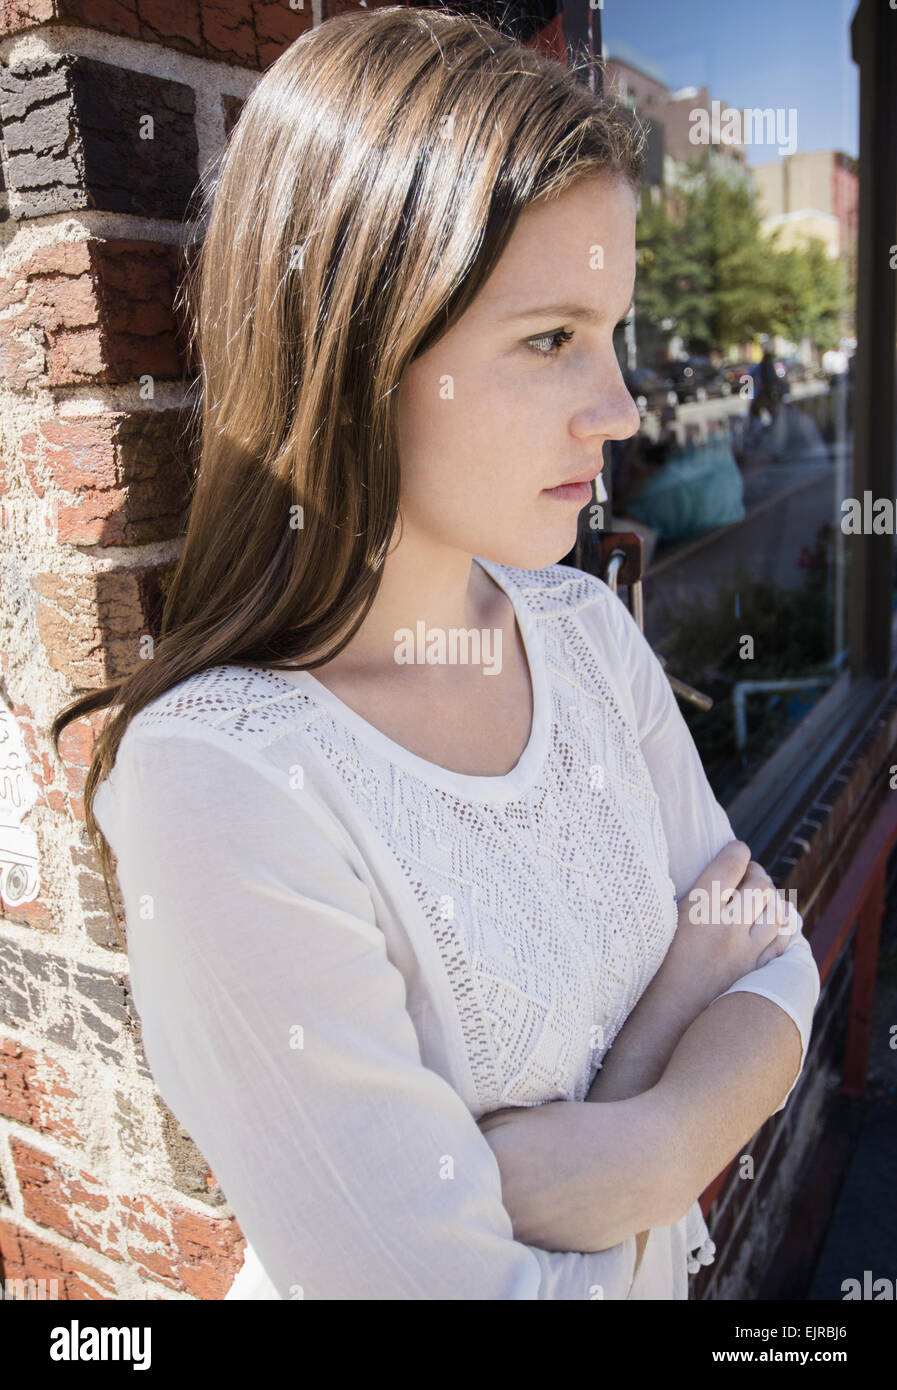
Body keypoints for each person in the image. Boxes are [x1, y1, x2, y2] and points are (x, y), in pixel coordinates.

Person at [52, 7, 819, 1300]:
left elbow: (772, 951)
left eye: (615, 333)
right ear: (357, 343)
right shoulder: (225, 786)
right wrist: (676, 1044)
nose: (622, 406)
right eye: (550, 337)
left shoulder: (580, 636)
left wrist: (619, 1148)